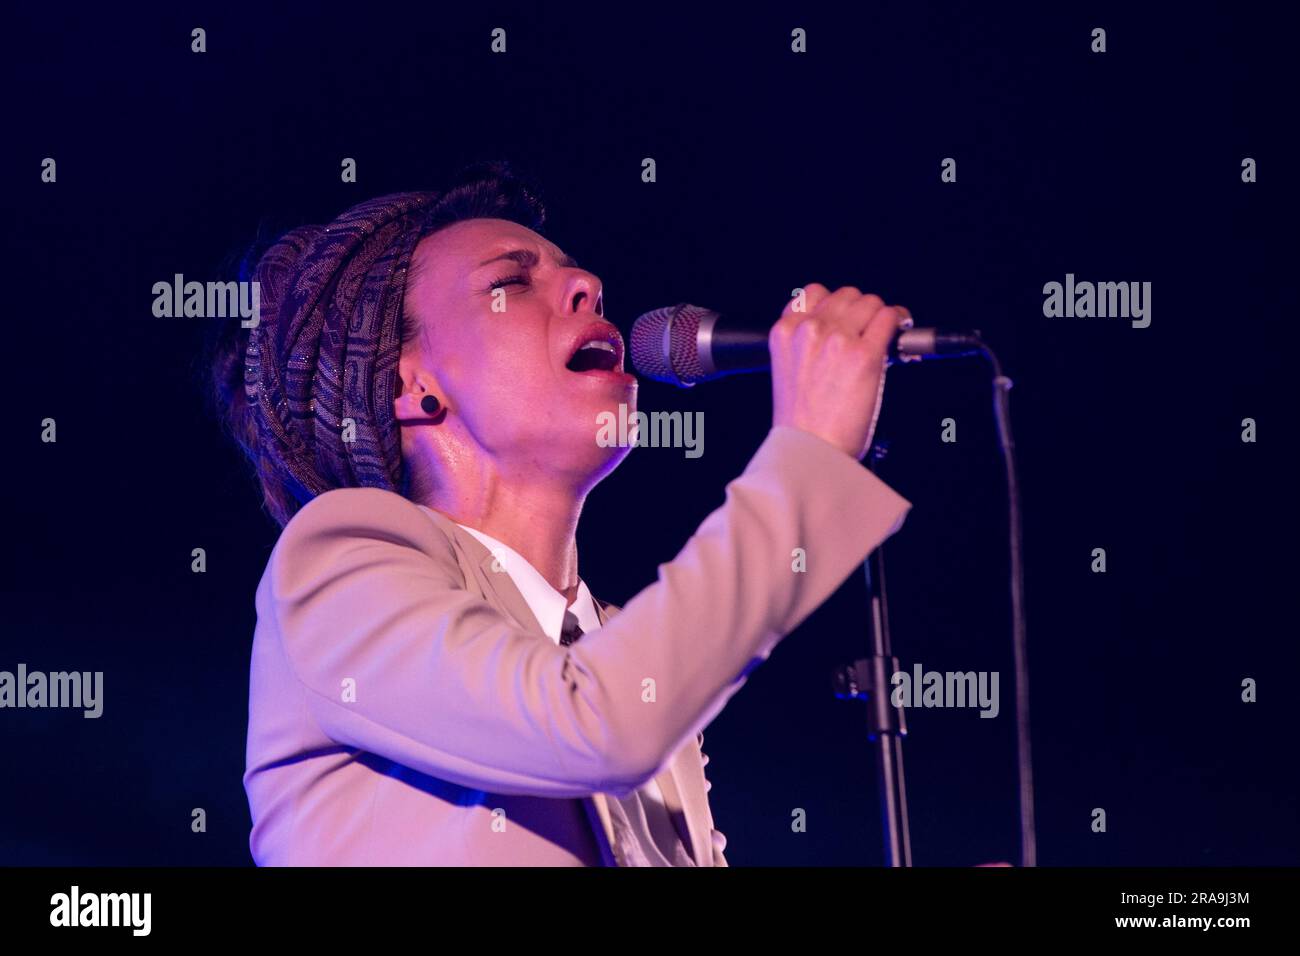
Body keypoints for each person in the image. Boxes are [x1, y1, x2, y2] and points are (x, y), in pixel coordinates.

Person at [209, 161, 913, 866]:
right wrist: (809, 453)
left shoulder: (618, 651)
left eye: (575, 272)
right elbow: (596, 724)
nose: (588, 286)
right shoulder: (334, 566)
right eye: (511, 282)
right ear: (408, 383)